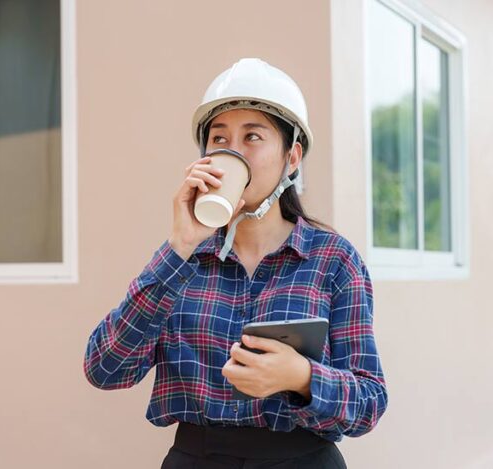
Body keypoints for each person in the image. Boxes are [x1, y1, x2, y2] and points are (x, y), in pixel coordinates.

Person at [83, 58, 388, 469]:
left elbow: (369, 401)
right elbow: (105, 369)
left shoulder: (333, 259)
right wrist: (179, 246)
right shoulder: (179, 260)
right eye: (219, 138)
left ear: (292, 157)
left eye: (252, 137)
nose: (232, 152)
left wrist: (301, 377)